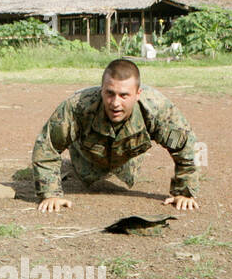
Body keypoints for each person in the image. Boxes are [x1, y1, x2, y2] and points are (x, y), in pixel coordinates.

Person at [31, 59, 201, 214]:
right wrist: (50, 194)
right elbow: (46, 145)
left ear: (138, 93)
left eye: (124, 95)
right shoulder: (78, 106)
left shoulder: (157, 108)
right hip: (86, 157)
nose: (115, 103)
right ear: (101, 90)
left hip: (128, 156)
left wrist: (185, 192)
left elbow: (190, 145)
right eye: (109, 93)